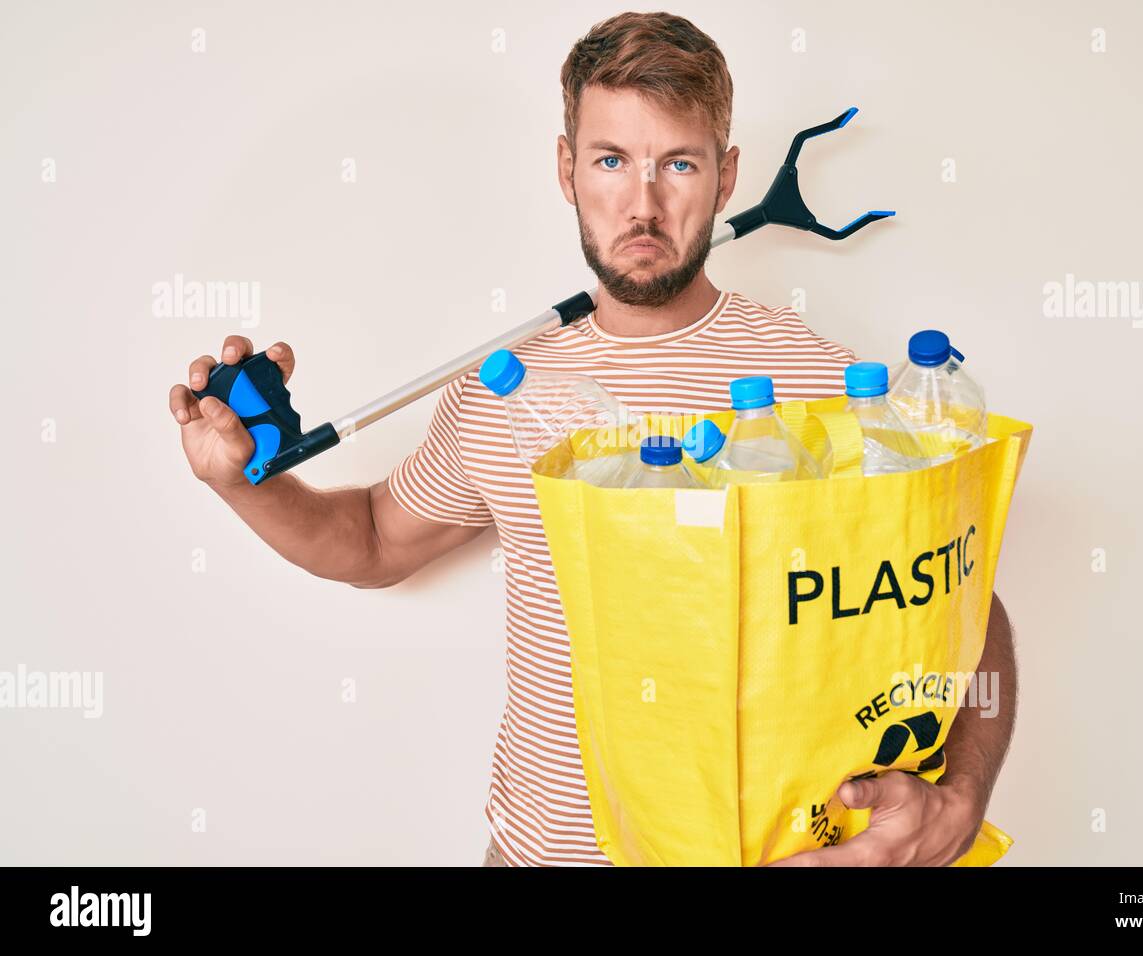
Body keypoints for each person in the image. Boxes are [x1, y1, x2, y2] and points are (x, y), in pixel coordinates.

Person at [168, 11, 1017, 867]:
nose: (642, 204)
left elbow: (963, 609)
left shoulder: (825, 386)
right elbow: (374, 540)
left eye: (676, 165)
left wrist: (961, 800)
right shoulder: (503, 391)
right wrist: (243, 481)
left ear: (726, 179)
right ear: (566, 168)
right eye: (611, 160)